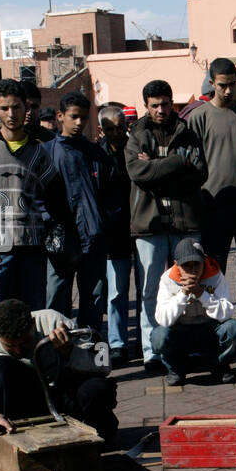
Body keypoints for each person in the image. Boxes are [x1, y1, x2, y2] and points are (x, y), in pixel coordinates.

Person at [0, 79, 78, 337]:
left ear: (27, 109)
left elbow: (59, 205)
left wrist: (64, 243)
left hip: (32, 251)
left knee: (31, 318)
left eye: (17, 107)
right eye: (5, 108)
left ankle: (31, 373)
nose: (12, 114)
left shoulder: (39, 153)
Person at [125, 80, 208, 373]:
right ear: (146, 106)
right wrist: (176, 163)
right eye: (155, 105)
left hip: (185, 222)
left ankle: (188, 345)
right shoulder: (137, 134)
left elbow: (199, 173)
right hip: (149, 224)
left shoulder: (188, 132)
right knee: (149, 289)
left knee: (190, 282)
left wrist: (157, 166)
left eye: (165, 104)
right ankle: (152, 350)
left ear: (173, 103)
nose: (161, 110)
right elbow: (138, 172)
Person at [0, 299, 117, 442]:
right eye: (10, 346)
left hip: (65, 398)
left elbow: (104, 366)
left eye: (24, 343)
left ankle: (97, 436)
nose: (18, 350)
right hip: (28, 407)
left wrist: (71, 351)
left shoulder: (53, 320)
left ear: (33, 323)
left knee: (97, 388)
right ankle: (17, 444)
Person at [44, 92, 116, 332]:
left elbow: (110, 194)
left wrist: (103, 224)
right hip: (60, 242)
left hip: (93, 239)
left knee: (94, 301)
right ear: (60, 116)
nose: (78, 123)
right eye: (73, 117)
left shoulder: (95, 152)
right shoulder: (46, 153)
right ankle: (56, 359)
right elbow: (37, 197)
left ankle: (90, 357)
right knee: (55, 302)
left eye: (83, 118)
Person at [186, 57, 236, 276]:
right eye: (222, 85)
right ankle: (216, 311)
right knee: (214, 265)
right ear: (212, 83)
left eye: (232, 84)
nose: (228, 90)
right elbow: (192, 164)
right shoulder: (199, 117)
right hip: (213, 205)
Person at [150, 236, 236, 385]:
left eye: (197, 264)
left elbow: (226, 313)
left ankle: (218, 364)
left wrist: (202, 294)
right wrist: (183, 294)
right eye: (186, 265)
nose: (193, 270)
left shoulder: (215, 275)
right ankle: (176, 369)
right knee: (159, 336)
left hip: (209, 330)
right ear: (177, 265)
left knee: (234, 329)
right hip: (180, 332)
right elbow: (163, 319)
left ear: (204, 260)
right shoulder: (167, 279)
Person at [97, 103, 133, 365]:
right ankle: (117, 342)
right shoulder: (96, 156)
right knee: (117, 292)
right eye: (110, 128)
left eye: (120, 127)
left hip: (140, 228)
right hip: (113, 233)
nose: (116, 133)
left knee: (147, 291)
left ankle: (146, 339)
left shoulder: (136, 150)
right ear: (102, 129)